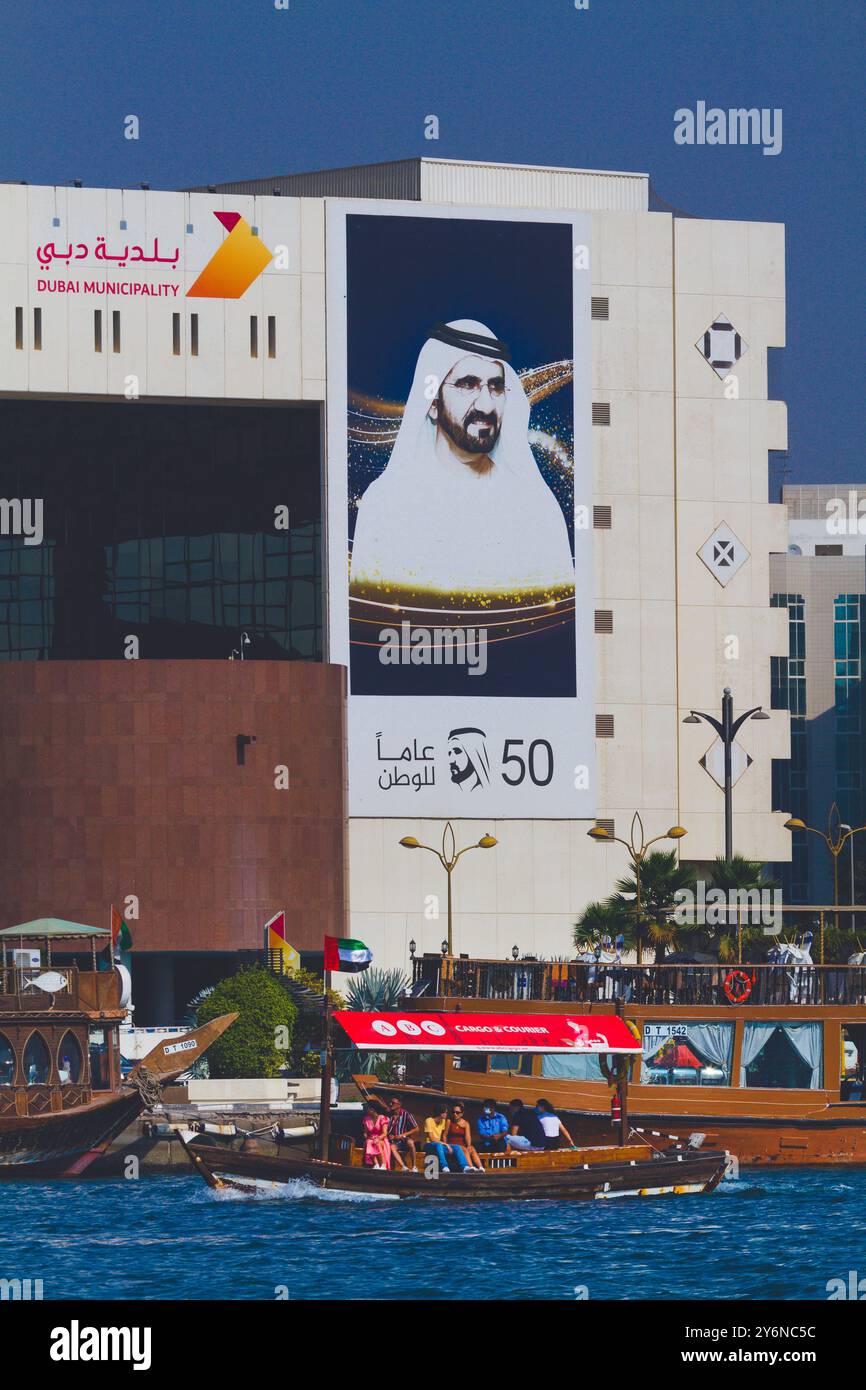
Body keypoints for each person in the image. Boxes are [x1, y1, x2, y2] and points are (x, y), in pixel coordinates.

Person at [350, 320, 575, 601]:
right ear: (432, 402)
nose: (486, 405)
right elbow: (372, 619)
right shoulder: (386, 504)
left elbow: (554, 624)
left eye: (495, 387)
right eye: (468, 385)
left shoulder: (535, 508)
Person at [424, 1102, 471, 1173]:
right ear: (440, 1113)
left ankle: (465, 1167)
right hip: (430, 1145)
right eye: (445, 1112)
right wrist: (446, 1144)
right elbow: (432, 1138)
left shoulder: (443, 1121)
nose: (447, 1114)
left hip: (439, 1145)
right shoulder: (429, 1120)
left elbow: (445, 1134)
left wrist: (447, 1145)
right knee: (439, 1145)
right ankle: (444, 1166)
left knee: (457, 1147)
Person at [385, 1096, 421, 1172]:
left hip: (404, 1139)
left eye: (393, 1103)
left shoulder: (406, 1114)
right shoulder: (389, 1116)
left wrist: (403, 1135)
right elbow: (387, 1130)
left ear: (399, 1104)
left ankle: (414, 1166)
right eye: (390, 1102)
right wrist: (390, 1135)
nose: (390, 1104)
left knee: (411, 1142)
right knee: (392, 1147)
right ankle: (404, 1167)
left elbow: (416, 1128)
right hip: (394, 1141)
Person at [447, 1103, 485, 1171]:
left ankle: (481, 1167)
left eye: (457, 1112)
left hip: (462, 1144)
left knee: (472, 1149)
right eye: (453, 1112)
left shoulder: (466, 1123)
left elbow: (468, 1137)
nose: (455, 1114)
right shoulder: (449, 1121)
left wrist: (469, 1145)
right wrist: (446, 1145)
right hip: (452, 1145)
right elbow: (444, 1135)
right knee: (464, 1149)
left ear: (462, 1113)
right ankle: (471, 1167)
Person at [362, 1101, 392, 1170]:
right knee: (369, 1142)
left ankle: (383, 1164)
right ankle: (376, 1164)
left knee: (376, 1143)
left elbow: (385, 1133)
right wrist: (366, 1136)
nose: (367, 1110)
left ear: (372, 1110)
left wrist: (378, 1138)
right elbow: (365, 1132)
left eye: (368, 1108)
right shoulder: (367, 1119)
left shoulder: (382, 1118)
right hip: (371, 1138)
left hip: (382, 1139)